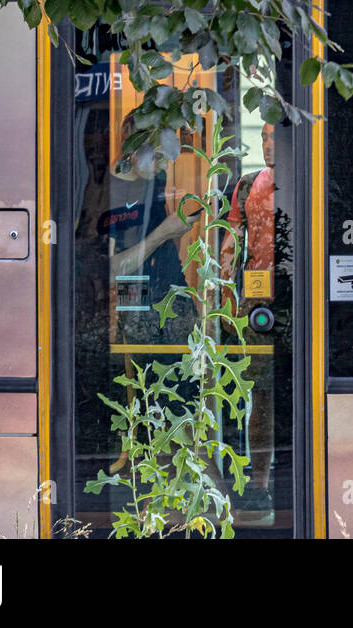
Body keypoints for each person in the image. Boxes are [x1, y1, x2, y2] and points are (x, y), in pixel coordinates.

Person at [219, 122, 280, 526]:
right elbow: (230, 243)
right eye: (264, 137)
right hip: (250, 308)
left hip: (292, 306)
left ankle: (263, 480)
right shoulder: (246, 185)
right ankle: (248, 481)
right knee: (246, 397)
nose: (269, 144)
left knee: (272, 400)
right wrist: (225, 296)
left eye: (276, 137)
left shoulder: (307, 178)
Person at [104, 111, 198, 344]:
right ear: (132, 149)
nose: (164, 164)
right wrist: (163, 233)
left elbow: (160, 222)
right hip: (133, 294)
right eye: (157, 156)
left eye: (166, 155)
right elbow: (111, 271)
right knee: (148, 368)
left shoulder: (156, 178)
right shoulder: (106, 193)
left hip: (171, 286)